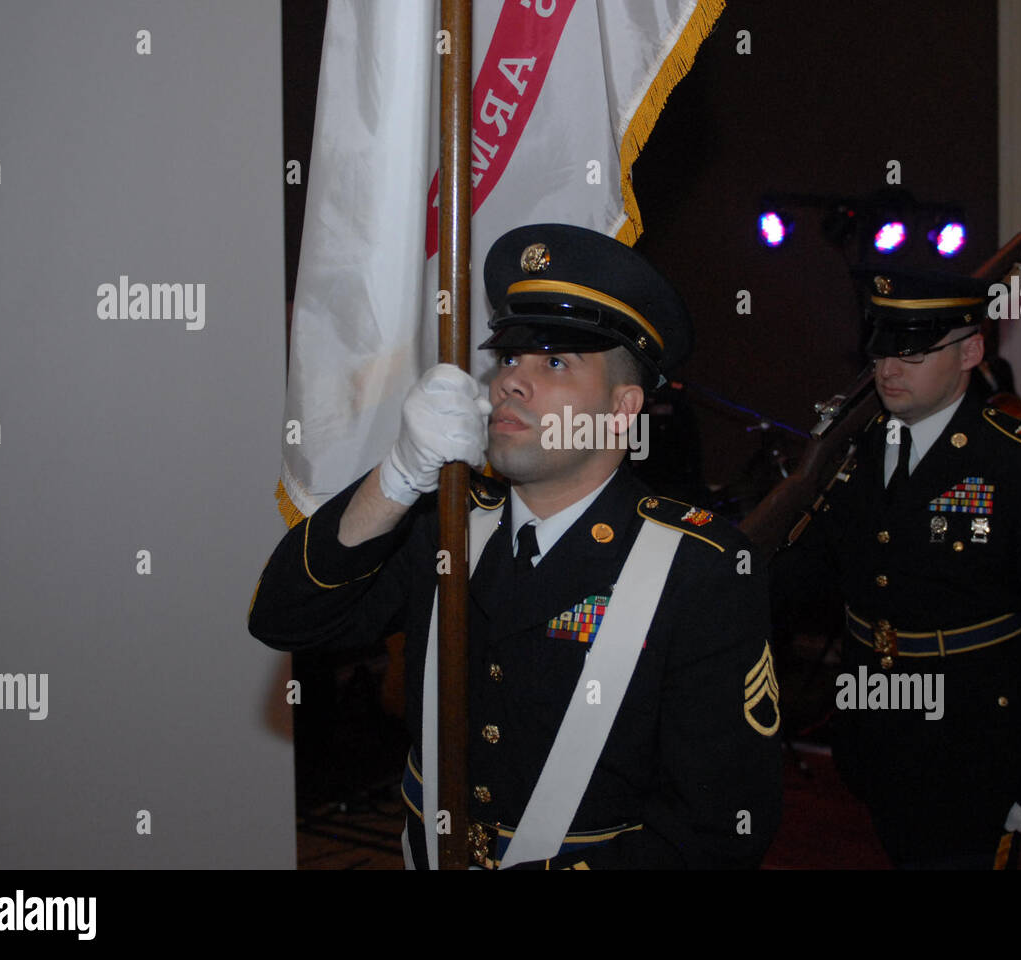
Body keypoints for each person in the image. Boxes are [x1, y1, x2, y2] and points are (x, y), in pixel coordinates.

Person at [249, 223, 783, 869]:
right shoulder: (446, 527)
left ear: (623, 407)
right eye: (508, 359)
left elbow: (719, 829)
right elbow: (285, 619)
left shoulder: (698, 568)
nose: (511, 382)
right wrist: (396, 478)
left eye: (554, 363)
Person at [771, 268, 1021, 869]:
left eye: (913, 353)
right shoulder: (853, 453)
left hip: (977, 745)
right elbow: (812, 575)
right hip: (876, 730)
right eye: (882, 348)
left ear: (972, 352)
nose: (889, 369)